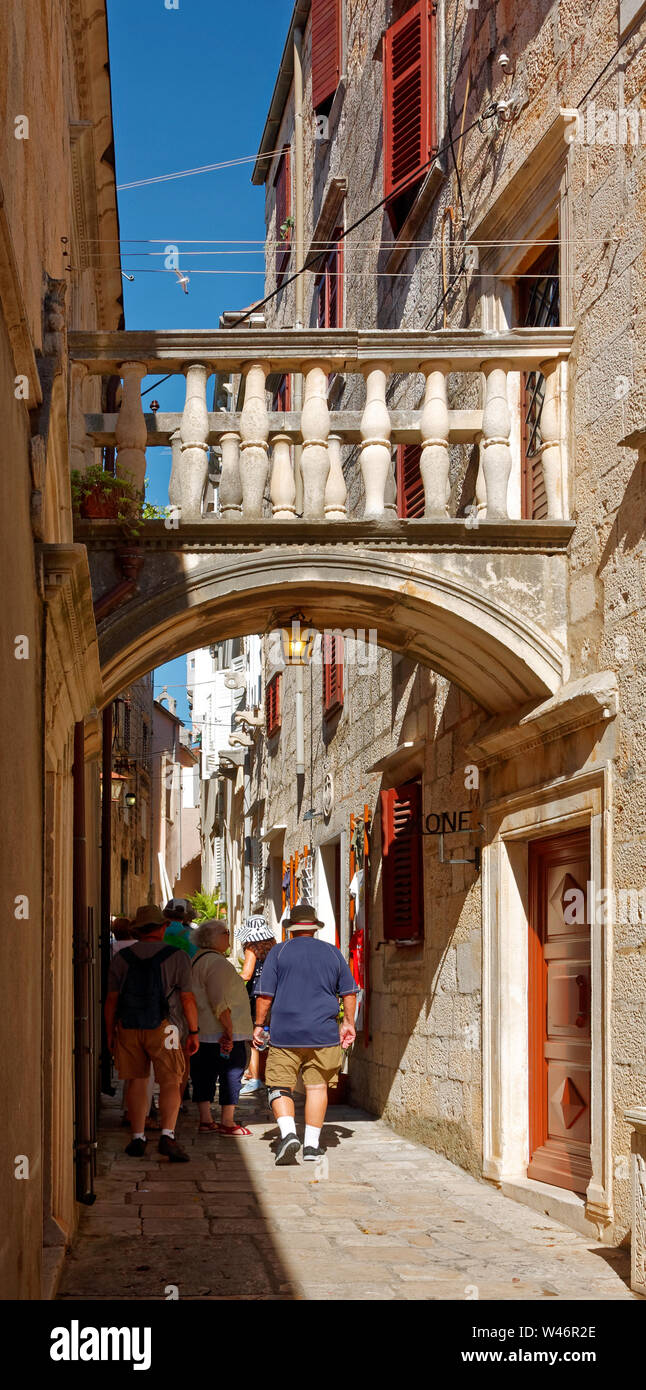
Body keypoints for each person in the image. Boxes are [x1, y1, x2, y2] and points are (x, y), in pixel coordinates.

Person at [253, 903, 358, 1165]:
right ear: (313, 928)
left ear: (291, 929)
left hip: (285, 1034)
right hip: (323, 1033)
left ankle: (289, 1134)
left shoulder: (279, 952)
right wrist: (348, 1023)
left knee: (279, 1085)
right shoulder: (333, 953)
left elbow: (265, 995)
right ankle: (311, 1146)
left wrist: (258, 1024)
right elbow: (349, 992)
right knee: (317, 1087)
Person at [104, 904, 200, 1163]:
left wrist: (110, 1032)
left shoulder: (120, 959)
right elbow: (187, 998)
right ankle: (167, 1135)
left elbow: (111, 1000)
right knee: (170, 1081)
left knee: (136, 1080)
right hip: (166, 1026)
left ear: (138, 930)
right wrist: (193, 1031)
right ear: (163, 927)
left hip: (129, 1025)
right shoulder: (178, 956)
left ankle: (137, 1137)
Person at [190, 918, 254, 1136]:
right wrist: (228, 1029)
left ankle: (206, 1120)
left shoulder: (198, 959)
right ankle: (227, 1121)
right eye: (226, 932)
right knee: (231, 1074)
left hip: (204, 1030)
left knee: (203, 1075)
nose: (229, 936)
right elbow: (219, 1000)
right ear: (214, 938)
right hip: (222, 1033)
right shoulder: (217, 963)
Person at [239, 906, 276, 1095]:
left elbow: (246, 974)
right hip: (275, 995)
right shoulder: (275, 945)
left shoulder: (252, 948)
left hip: (255, 995)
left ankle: (254, 1079)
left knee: (254, 1037)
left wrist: (229, 980)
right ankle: (265, 1076)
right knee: (267, 1037)